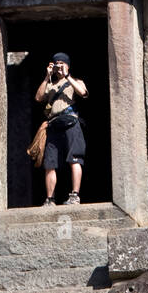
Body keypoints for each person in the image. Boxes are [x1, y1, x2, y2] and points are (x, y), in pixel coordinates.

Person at [35, 52, 88, 207]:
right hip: (53, 124)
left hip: (71, 123)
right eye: (56, 63)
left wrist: (67, 75)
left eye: (61, 63)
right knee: (49, 163)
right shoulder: (50, 85)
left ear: (67, 65)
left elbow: (83, 93)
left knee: (75, 159)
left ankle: (75, 195)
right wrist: (47, 77)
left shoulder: (76, 81)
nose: (58, 66)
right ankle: (50, 199)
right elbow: (38, 98)